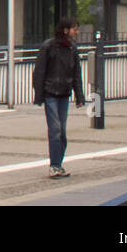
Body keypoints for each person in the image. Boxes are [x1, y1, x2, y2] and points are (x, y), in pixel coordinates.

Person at [33, 17, 86, 178]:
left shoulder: (72, 49)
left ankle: (58, 163)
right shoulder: (49, 46)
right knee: (55, 130)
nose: (76, 32)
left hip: (64, 93)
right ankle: (54, 166)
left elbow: (77, 73)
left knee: (62, 131)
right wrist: (39, 94)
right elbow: (39, 71)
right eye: (74, 29)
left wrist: (79, 95)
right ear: (65, 30)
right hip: (50, 93)